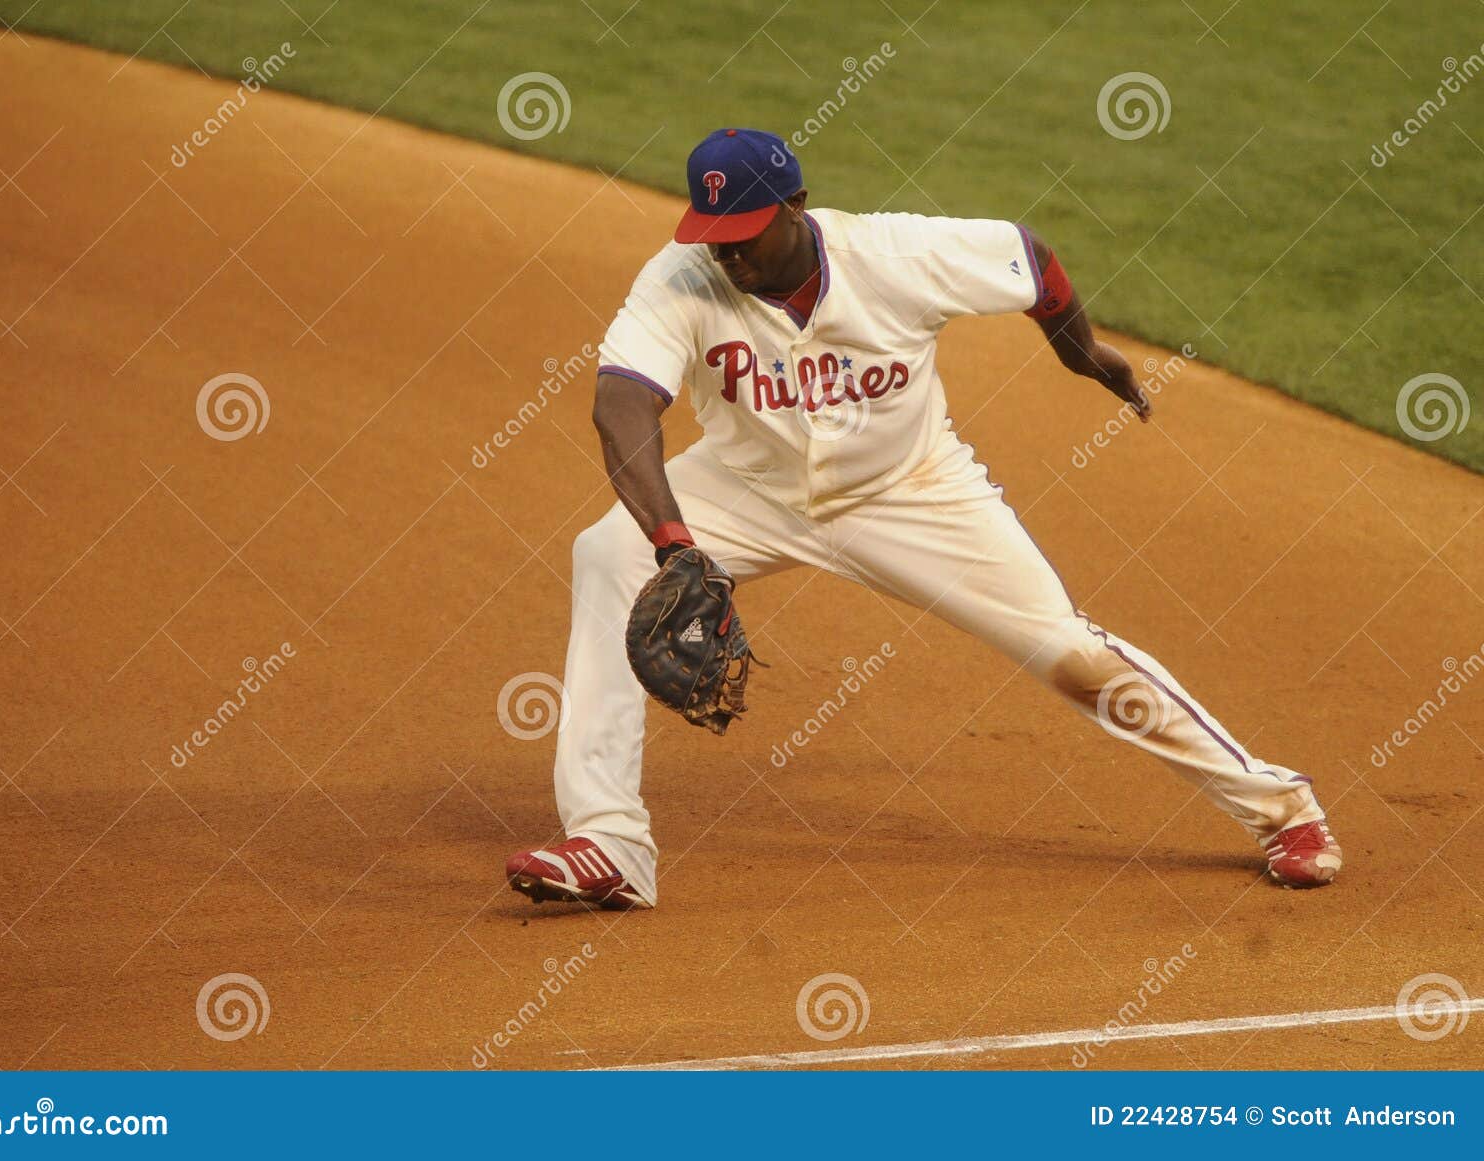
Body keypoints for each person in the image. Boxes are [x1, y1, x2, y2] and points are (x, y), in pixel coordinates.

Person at [506, 128, 1340, 909]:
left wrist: (1083, 351)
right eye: (714, 232)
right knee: (607, 551)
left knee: (1069, 650)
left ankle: (1279, 804)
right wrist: (673, 541)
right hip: (746, 488)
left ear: (797, 207)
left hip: (912, 490)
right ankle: (610, 842)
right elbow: (621, 404)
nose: (727, 251)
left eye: (747, 232)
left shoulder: (897, 253)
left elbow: (1031, 259)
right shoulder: (683, 276)